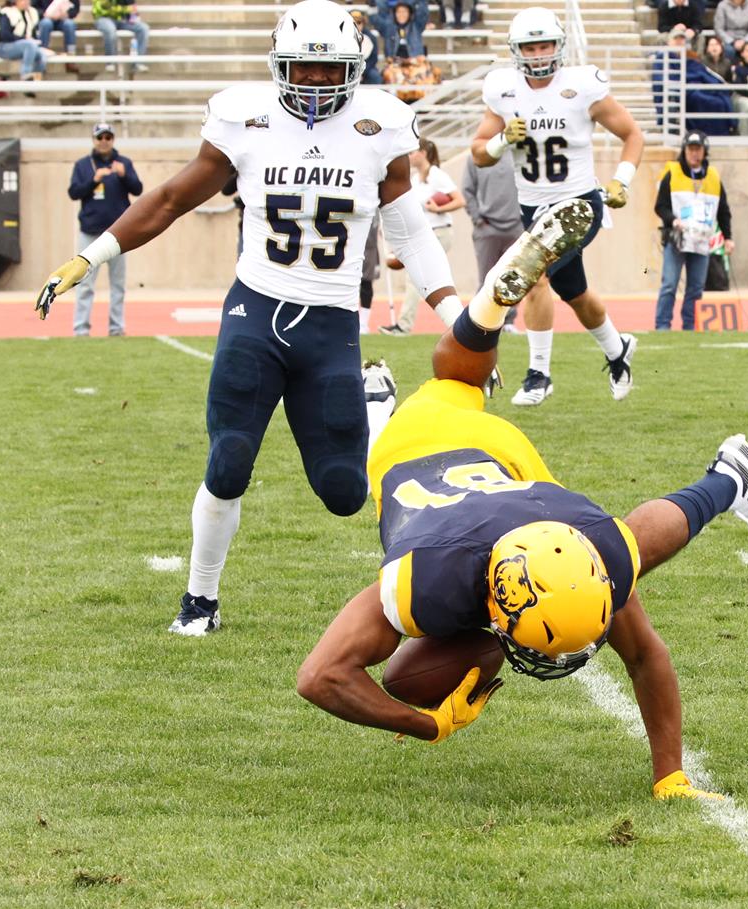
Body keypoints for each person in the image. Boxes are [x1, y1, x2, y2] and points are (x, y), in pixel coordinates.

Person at [297, 197, 748, 801]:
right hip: (426, 452)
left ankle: (486, 309)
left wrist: (673, 778)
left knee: (456, 383)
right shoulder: (424, 579)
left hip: (514, 485)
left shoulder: (590, 551)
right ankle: (729, 476)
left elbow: (322, 675)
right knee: (411, 679)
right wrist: (422, 721)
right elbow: (318, 680)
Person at [34, 0, 462, 636]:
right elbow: (175, 197)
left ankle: (374, 404)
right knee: (229, 459)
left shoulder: (383, 124)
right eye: (302, 69)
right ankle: (200, 599)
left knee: (345, 494)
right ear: (278, 64)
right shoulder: (245, 116)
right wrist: (91, 256)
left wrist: (455, 315)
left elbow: (412, 232)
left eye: (330, 71)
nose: (316, 83)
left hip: (332, 320)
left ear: (354, 66)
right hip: (255, 308)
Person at [471, 7, 645, 407]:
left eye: (544, 44)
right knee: (576, 292)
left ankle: (539, 375)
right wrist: (501, 142)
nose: (537, 54)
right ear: (516, 50)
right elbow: (479, 153)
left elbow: (632, 134)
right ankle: (618, 351)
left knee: (536, 278)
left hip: (579, 204)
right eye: (530, 46)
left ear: (559, 45)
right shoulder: (503, 90)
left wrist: (621, 180)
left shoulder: (582, 86)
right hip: (533, 209)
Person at [65, 122, 141, 337]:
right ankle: (81, 329)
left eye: (108, 137)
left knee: (117, 284)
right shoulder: (83, 165)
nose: (104, 141)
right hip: (90, 232)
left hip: (118, 234)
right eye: (100, 137)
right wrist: (93, 180)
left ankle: (116, 328)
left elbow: (138, 189)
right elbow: (73, 192)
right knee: (84, 283)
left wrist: (125, 175)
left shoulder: (123, 163)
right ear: (94, 140)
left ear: (113, 140)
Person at [654, 132, 733, 331]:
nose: (694, 153)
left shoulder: (714, 177)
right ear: (684, 150)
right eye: (691, 149)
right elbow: (660, 206)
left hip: (701, 241)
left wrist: (728, 237)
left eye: (698, 149)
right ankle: (662, 325)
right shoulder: (672, 174)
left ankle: (690, 326)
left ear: (705, 152)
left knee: (696, 287)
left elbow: (723, 210)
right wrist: (673, 220)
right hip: (677, 239)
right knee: (669, 284)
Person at [394, 139, 461, 333]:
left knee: (418, 278)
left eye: (413, 152)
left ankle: (404, 325)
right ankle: (457, 325)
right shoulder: (414, 180)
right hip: (423, 233)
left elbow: (459, 200)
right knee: (423, 279)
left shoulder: (438, 176)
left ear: (423, 153)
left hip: (440, 231)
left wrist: (439, 207)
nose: (409, 156)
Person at [462, 152, 523, 332]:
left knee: (513, 279)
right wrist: (477, 219)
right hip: (487, 227)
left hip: (516, 227)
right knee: (486, 279)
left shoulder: (520, 153)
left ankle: (509, 322)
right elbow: (467, 190)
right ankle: (480, 324)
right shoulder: (476, 156)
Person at [0, 0, 48, 88]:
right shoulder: (6, 12)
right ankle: (25, 76)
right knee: (29, 45)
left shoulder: (31, 13)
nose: (26, 2)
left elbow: (33, 35)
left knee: (41, 53)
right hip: (3, 46)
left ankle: (36, 79)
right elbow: (4, 35)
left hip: (24, 46)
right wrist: (24, 39)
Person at [91, 0, 149, 73]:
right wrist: (125, 9)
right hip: (103, 18)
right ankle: (110, 62)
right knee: (110, 29)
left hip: (122, 20)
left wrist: (133, 16)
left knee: (143, 28)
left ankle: (138, 62)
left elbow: (132, 8)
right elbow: (104, 8)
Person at [38, 0, 79, 71]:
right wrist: (44, 14)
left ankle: (71, 58)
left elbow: (75, 8)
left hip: (64, 18)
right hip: (46, 17)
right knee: (45, 24)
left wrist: (67, 14)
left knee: (70, 25)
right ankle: (41, 60)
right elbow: (34, 7)